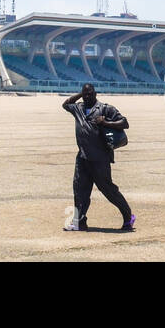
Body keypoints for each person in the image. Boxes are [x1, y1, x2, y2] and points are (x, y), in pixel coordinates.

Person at [62, 84, 135, 232]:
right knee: (80, 191)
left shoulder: (105, 109)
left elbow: (124, 123)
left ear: (95, 94)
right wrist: (79, 95)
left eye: (90, 94)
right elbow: (66, 104)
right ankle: (79, 221)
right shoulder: (79, 109)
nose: (87, 97)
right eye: (85, 94)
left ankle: (128, 216)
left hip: (100, 159)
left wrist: (105, 122)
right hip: (82, 158)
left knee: (108, 190)